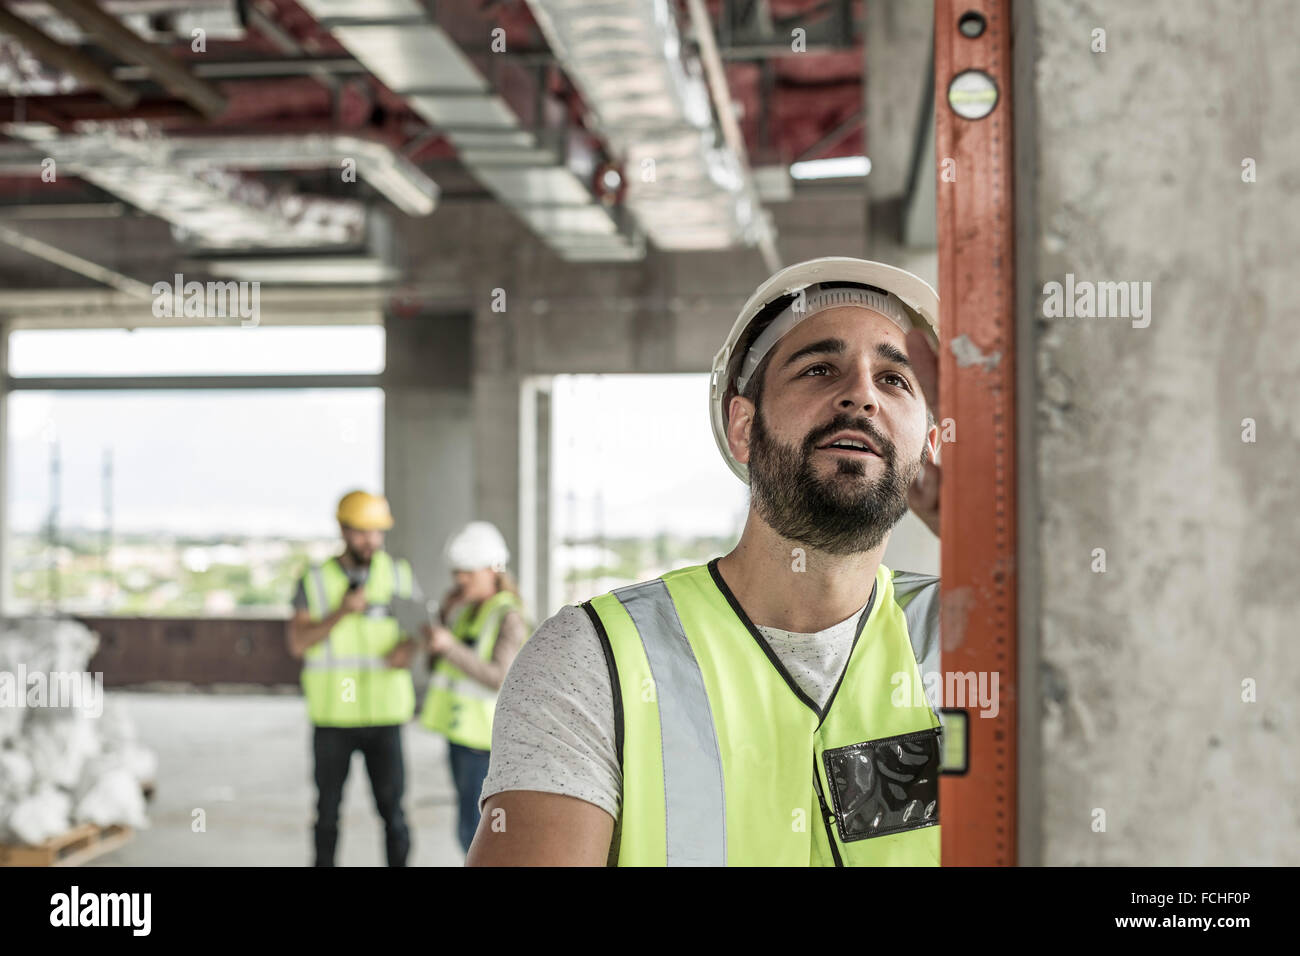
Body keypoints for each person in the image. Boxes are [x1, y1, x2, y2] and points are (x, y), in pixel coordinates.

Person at [469, 257, 946, 866]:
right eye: (820, 368)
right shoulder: (597, 660)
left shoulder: (973, 641)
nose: (859, 393)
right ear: (744, 427)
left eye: (895, 380)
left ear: (930, 445)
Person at [287, 490, 421, 867]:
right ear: (344, 531)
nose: (371, 541)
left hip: (385, 714)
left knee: (393, 813)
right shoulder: (313, 581)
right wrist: (340, 612)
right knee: (327, 813)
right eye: (363, 532)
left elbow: (421, 632)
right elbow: (298, 643)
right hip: (334, 718)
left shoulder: (398, 574)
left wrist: (407, 651)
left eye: (377, 532)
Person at [420, 521, 529, 855]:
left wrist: (449, 646)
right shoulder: (466, 612)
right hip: (460, 734)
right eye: (457, 572)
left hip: (485, 742)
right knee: (468, 828)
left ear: (492, 569)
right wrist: (443, 621)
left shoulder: (509, 617)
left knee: (477, 831)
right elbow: (439, 668)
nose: (459, 579)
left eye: (467, 572)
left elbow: (500, 676)